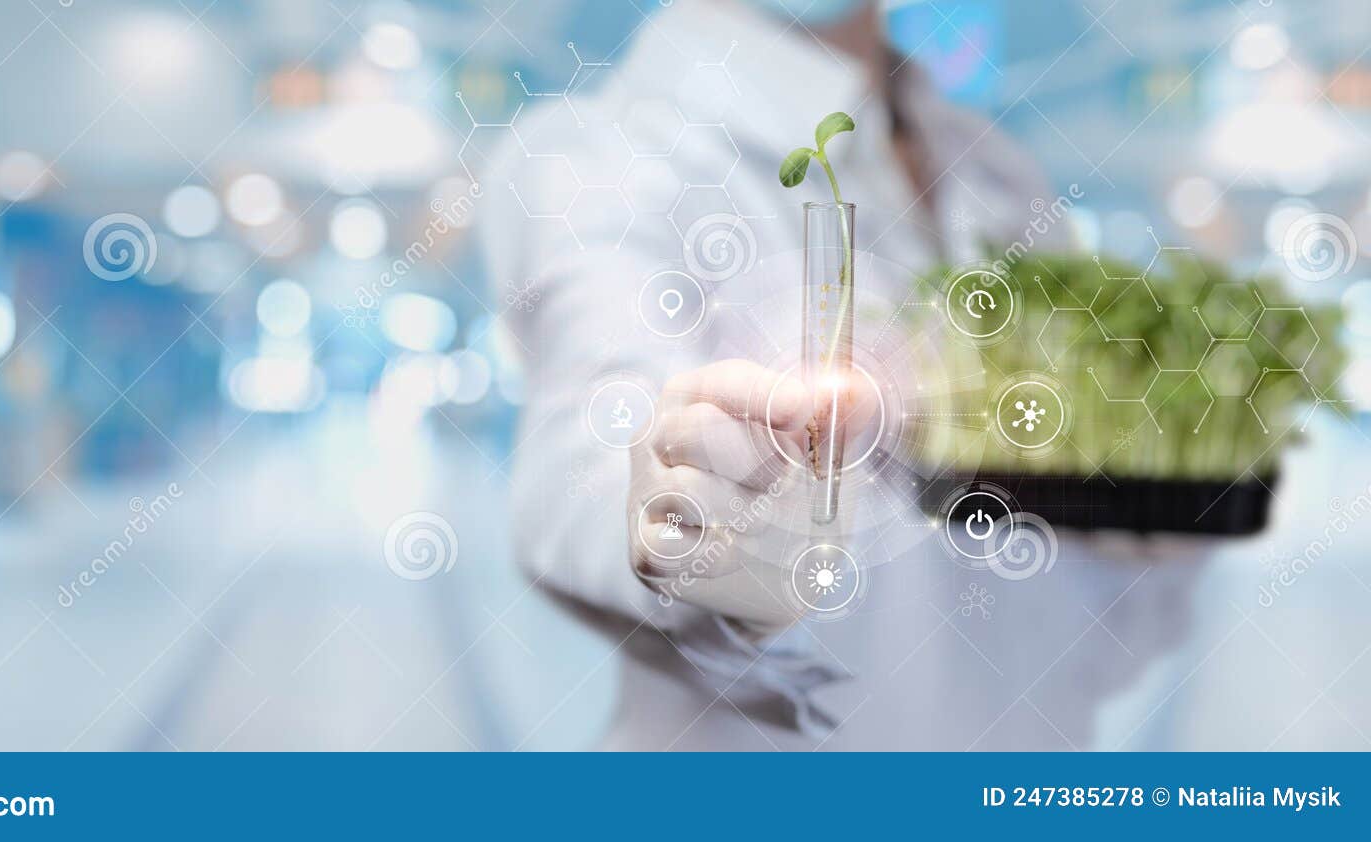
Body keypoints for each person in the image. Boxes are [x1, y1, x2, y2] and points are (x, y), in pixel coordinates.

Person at [482, 0, 1201, 749]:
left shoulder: (998, 172)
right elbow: (588, 462)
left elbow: (1090, 628)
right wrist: (700, 528)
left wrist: (1151, 519)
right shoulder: (597, 157)